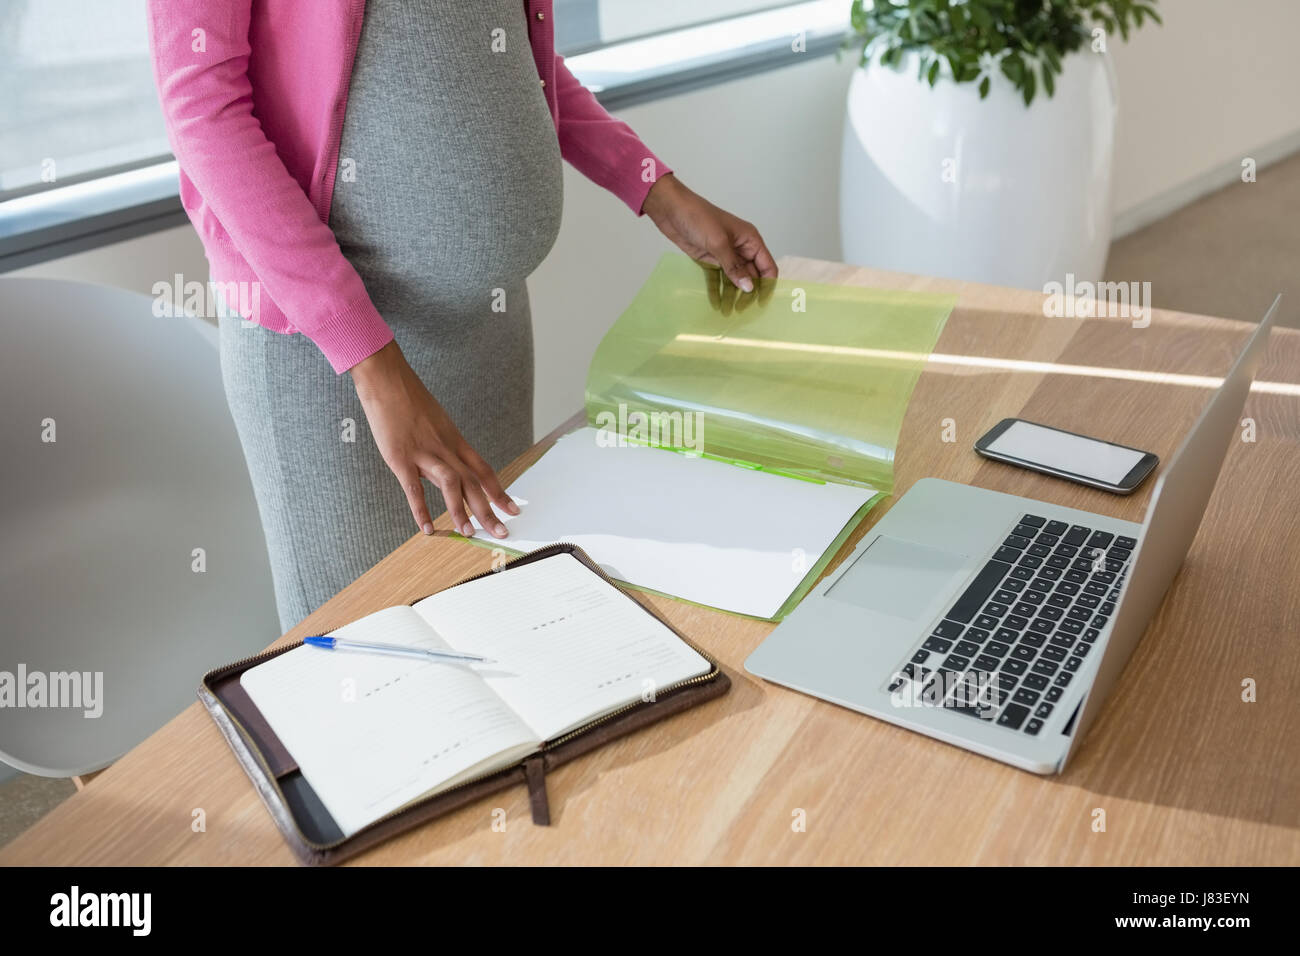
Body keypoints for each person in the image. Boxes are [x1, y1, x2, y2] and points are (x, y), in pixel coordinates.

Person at [148, 1, 777, 631]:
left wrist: (656, 190)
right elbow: (203, 108)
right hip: (329, 366)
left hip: (488, 332)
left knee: (510, 631)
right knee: (368, 665)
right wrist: (372, 362)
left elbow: (498, 51)